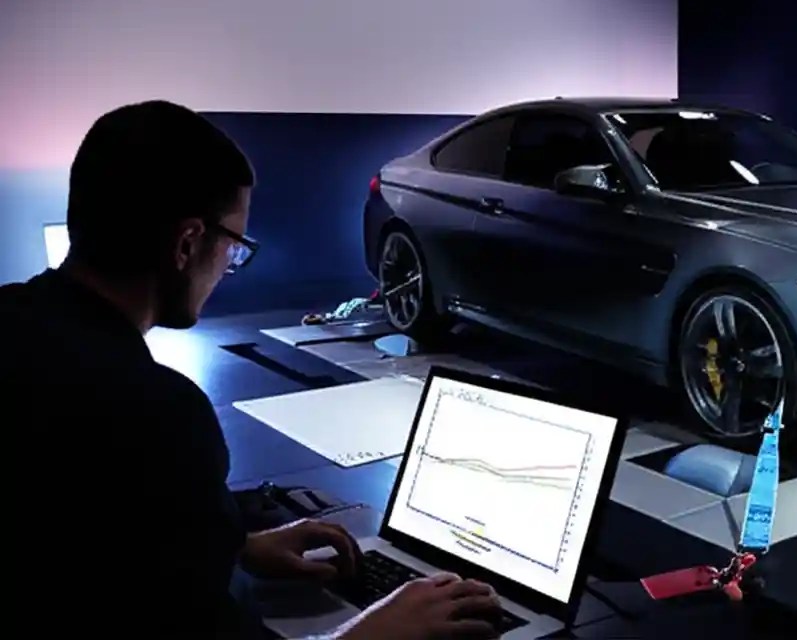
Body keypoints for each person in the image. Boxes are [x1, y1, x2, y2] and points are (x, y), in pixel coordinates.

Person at [0, 101, 501, 639]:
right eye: (233, 246)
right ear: (188, 243)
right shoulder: (157, 413)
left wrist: (230, 544)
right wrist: (373, 632)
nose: (228, 268)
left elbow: (71, 529)